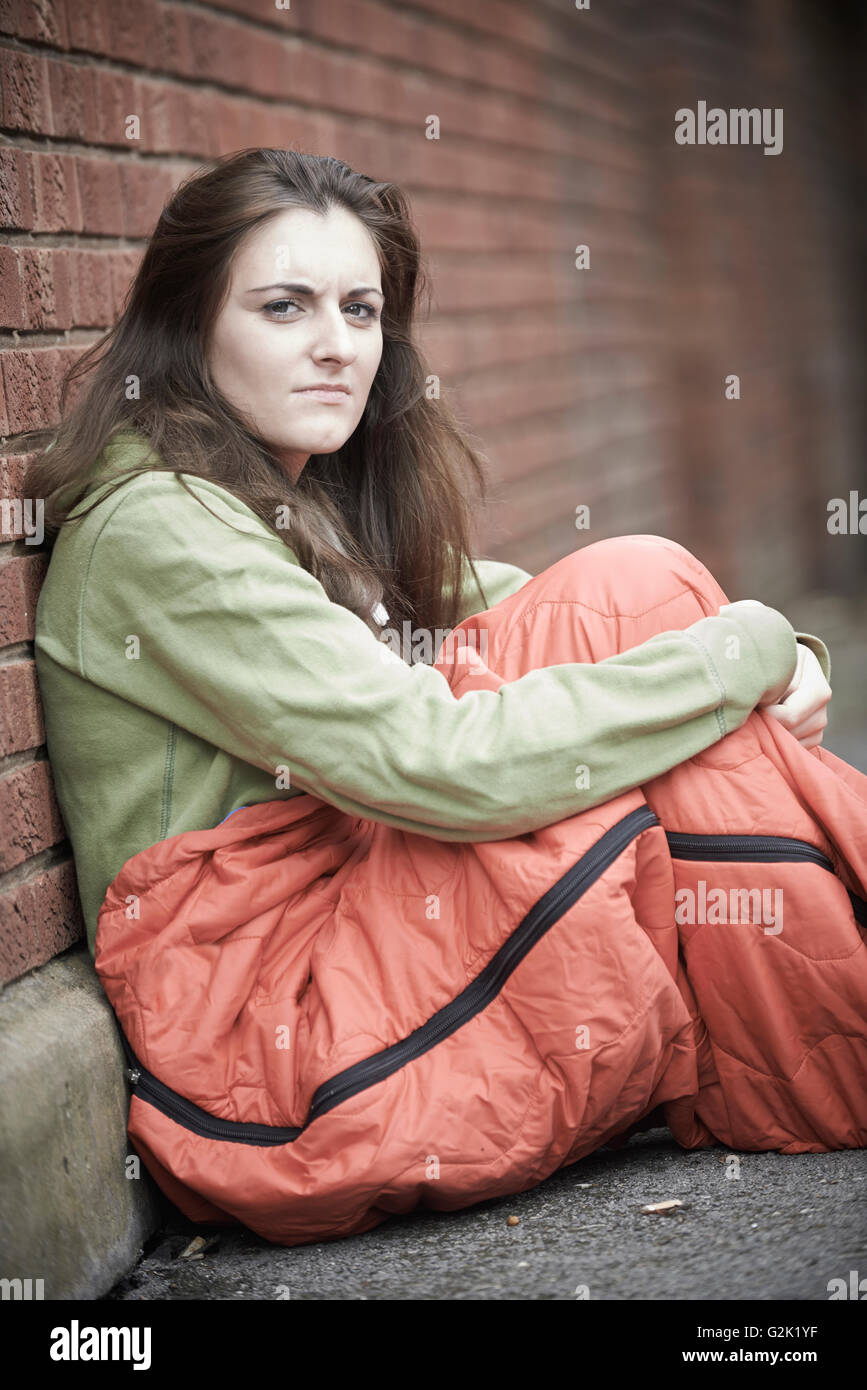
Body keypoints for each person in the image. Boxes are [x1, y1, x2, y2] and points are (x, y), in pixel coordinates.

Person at [26, 147, 832, 964]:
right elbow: (437, 760)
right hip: (264, 984)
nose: (337, 345)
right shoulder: (163, 525)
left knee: (639, 597)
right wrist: (739, 660)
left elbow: (560, 611)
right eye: (283, 308)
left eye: (361, 310)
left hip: (364, 912)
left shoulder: (299, 502)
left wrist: (768, 652)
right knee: (679, 814)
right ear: (185, 325)